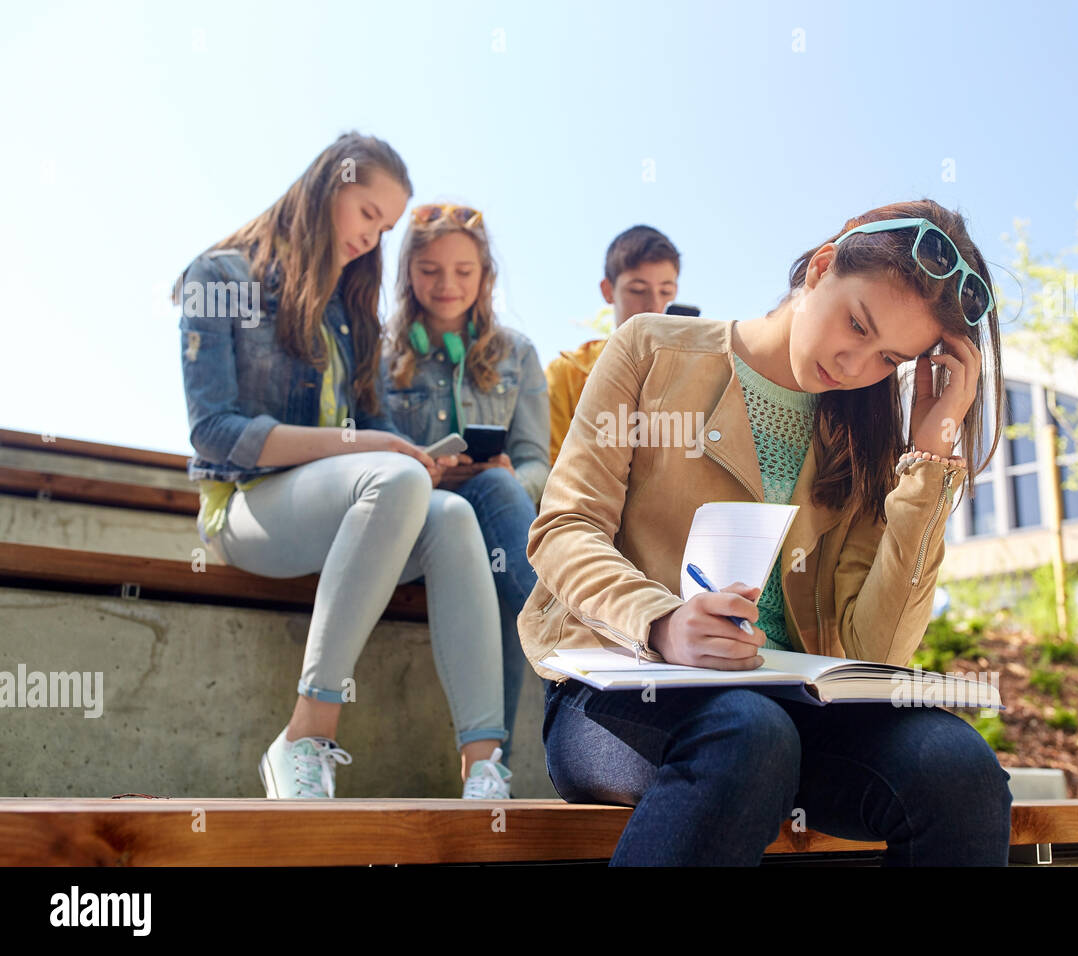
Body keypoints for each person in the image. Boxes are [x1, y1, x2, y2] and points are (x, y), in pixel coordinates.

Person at [520, 198, 1013, 865]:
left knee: (958, 766)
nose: (856, 363)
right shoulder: (650, 350)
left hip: (792, 710)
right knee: (747, 733)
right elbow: (565, 528)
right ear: (820, 269)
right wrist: (663, 621)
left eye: (889, 357)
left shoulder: (864, 438)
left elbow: (880, 648)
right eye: (856, 324)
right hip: (618, 691)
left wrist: (930, 460)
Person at [176, 132, 512, 800]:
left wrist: (419, 454)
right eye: (367, 213)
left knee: (449, 513)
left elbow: (375, 425)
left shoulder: (349, 310)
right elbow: (213, 433)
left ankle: (483, 764)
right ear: (331, 183)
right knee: (392, 475)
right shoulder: (218, 278)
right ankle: (304, 734)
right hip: (248, 506)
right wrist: (368, 450)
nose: (371, 237)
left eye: (383, 226)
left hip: (354, 507)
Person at [383, 200, 549, 769]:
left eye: (463, 271)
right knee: (483, 530)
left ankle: (488, 771)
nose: (447, 285)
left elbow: (536, 465)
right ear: (408, 273)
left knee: (501, 502)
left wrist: (509, 474)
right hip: (416, 516)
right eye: (430, 271)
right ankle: (570, 658)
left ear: (485, 276)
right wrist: (420, 468)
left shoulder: (517, 354)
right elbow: (368, 455)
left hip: (493, 514)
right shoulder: (384, 356)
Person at [544, 225, 680, 464]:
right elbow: (553, 471)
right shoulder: (566, 374)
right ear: (608, 291)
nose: (655, 306)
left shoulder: (698, 375)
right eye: (637, 290)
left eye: (666, 291)